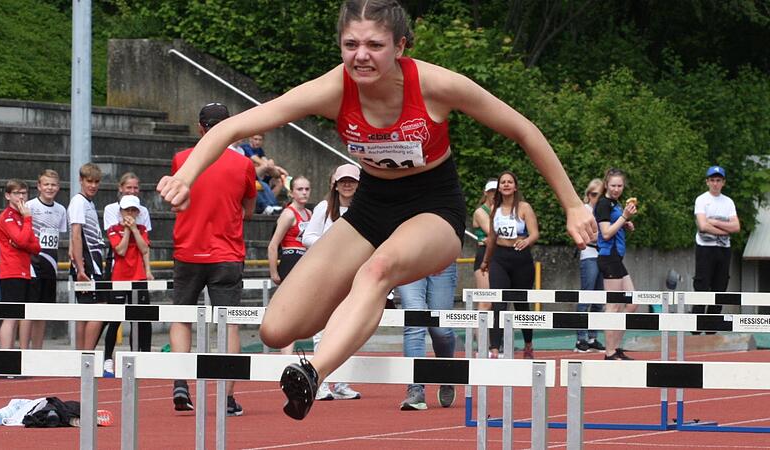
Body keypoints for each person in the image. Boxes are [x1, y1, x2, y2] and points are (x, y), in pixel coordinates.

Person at [158, 0, 595, 421]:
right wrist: (186, 175)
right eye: (350, 45)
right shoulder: (333, 88)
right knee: (277, 329)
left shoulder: (436, 85)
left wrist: (573, 205)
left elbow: (524, 130)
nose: (361, 56)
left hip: (433, 209)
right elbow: (236, 125)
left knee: (376, 269)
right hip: (370, 209)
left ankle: (314, 373)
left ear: (400, 46)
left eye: (374, 46)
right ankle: (361, 306)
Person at [169, 102, 257, 417]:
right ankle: (227, 395)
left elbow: (176, 200)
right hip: (227, 253)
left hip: (188, 250)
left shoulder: (181, 159)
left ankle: (180, 382)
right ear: (229, 126)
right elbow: (248, 210)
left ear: (200, 127)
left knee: (182, 318)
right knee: (229, 323)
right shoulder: (243, 165)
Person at [301, 164, 363, 401]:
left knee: (348, 327)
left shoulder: (366, 209)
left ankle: (342, 382)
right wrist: (331, 249)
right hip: (326, 274)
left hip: (354, 275)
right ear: (334, 184)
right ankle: (319, 382)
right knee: (322, 330)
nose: (347, 185)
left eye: (352, 181)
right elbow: (307, 236)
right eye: (343, 181)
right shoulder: (324, 208)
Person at [479, 171, 539, 359]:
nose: (505, 185)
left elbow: (535, 233)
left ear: (515, 186)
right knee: (498, 302)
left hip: (521, 258)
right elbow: (491, 238)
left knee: (521, 304)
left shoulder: (524, 207)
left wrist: (527, 241)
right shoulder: (494, 209)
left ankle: (528, 344)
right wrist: (486, 261)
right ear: (498, 187)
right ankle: (495, 348)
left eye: (509, 182)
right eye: (502, 182)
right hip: (499, 257)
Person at [102, 195, 153, 378]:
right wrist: (127, 231)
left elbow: (144, 249)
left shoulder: (142, 228)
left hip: (138, 277)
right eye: (127, 210)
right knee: (115, 320)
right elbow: (121, 250)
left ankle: (141, 358)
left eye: (133, 210)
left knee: (140, 319)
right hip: (119, 278)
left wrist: (134, 230)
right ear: (121, 212)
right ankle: (108, 359)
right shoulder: (114, 229)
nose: (130, 213)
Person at [398, 262, 458, 411]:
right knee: (414, 324)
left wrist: (445, 254)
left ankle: (447, 375)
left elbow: (458, 237)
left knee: (441, 330)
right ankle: (416, 389)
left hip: (442, 260)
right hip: (409, 261)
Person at [595, 168, 638, 360]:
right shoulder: (603, 204)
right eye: (613, 185)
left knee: (632, 303)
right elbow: (605, 233)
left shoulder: (616, 203)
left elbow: (616, 225)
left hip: (617, 258)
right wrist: (624, 219)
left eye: (620, 186)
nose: (616, 189)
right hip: (608, 257)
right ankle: (609, 351)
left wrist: (626, 224)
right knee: (613, 305)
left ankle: (615, 347)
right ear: (606, 184)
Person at [267, 175, 312, 354]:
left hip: (305, 262)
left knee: (300, 309)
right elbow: (273, 244)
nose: (304, 193)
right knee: (290, 309)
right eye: (300, 189)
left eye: (307, 189)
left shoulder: (309, 213)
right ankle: (285, 353)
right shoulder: (288, 214)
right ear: (292, 192)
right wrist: (273, 272)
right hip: (290, 260)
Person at [691, 165, 739, 332]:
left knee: (720, 286)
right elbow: (703, 226)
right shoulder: (702, 200)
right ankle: (696, 327)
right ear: (707, 182)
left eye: (718, 180)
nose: (715, 184)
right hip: (705, 248)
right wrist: (725, 230)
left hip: (724, 249)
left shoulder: (728, 202)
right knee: (702, 285)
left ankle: (712, 328)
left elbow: (736, 227)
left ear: (723, 182)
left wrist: (716, 222)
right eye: (712, 180)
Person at [0, 179, 41, 350]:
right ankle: (5, 360)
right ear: (8, 195)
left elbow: (36, 247)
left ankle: (16, 359)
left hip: (24, 271)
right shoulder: (7, 216)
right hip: (11, 272)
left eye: (24, 193)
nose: (21, 197)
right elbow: (23, 239)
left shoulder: (22, 217)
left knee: (22, 315)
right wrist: (28, 220)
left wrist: (23, 243)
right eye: (17, 193)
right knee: (11, 317)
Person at [25, 169, 67, 349]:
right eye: (46, 184)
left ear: (58, 187)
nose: (50, 188)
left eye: (53, 185)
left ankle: (37, 351)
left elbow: (58, 237)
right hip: (32, 263)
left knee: (43, 310)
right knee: (30, 309)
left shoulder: (61, 210)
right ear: (39, 186)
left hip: (51, 264)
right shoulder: (30, 206)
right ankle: (24, 350)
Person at [68, 163, 106, 350]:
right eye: (89, 181)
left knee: (87, 310)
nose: (92, 185)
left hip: (94, 263)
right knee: (97, 309)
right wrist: (80, 268)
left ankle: (82, 356)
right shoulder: (78, 201)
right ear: (81, 181)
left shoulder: (89, 203)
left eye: (96, 182)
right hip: (88, 265)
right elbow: (76, 233)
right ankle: (86, 354)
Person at [575, 178, 606, 353]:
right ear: (588, 195)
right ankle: (580, 338)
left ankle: (593, 337)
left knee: (598, 300)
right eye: (593, 194)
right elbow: (587, 237)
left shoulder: (604, 210)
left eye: (600, 195)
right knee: (585, 296)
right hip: (589, 255)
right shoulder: (585, 211)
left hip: (602, 255)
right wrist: (605, 235)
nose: (596, 198)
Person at [472, 179, 496, 349]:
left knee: (498, 302)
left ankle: (495, 343)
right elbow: (493, 232)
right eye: (491, 191)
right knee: (485, 301)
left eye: (497, 191)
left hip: (500, 257)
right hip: (484, 257)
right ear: (486, 193)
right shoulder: (481, 212)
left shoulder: (506, 211)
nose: (494, 194)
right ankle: (481, 345)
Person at [239, 133, 289, 198]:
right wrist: (278, 168)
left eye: (260, 140)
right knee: (266, 165)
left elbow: (266, 161)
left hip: (261, 174)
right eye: (255, 139)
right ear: (250, 139)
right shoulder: (246, 147)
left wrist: (271, 164)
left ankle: (271, 202)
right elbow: (259, 161)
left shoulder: (260, 150)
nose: (258, 142)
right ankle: (280, 174)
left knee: (279, 182)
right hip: (250, 174)